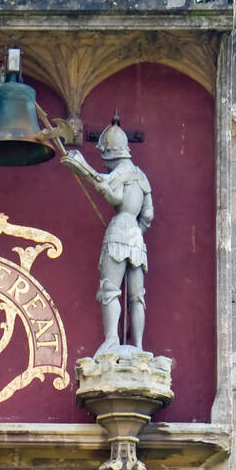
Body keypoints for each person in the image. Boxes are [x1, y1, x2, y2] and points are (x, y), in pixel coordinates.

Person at [62, 115, 153, 356]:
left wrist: (90, 176)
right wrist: (136, 232)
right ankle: (139, 346)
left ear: (109, 153)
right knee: (137, 297)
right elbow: (148, 215)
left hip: (118, 231)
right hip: (137, 238)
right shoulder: (141, 176)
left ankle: (112, 339)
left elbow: (116, 197)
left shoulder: (119, 173)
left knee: (109, 290)